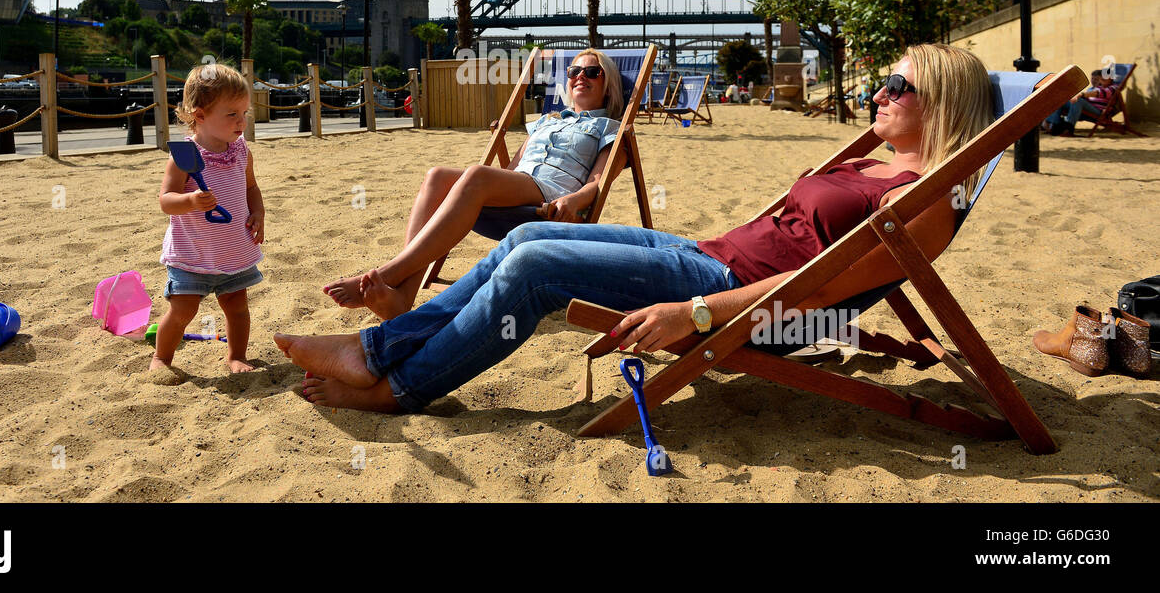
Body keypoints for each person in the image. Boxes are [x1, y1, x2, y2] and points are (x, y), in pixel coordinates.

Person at [277, 43, 991, 414]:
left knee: (533, 270)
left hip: (725, 288)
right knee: (525, 239)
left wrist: (695, 313)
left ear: (944, 101)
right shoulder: (879, 161)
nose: (878, 93)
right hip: (707, 251)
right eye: (884, 82)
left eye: (897, 86)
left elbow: (811, 293)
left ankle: (393, 382)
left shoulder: (927, 200)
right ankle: (378, 348)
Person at [323, 49, 626, 320]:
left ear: (607, 83)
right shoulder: (547, 120)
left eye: (592, 72)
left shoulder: (612, 129)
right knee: (437, 175)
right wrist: (486, 183)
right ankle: (404, 296)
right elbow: (511, 169)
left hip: (552, 197)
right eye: (575, 71)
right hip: (520, 186)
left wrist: (574, 201)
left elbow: (597, 183)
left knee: (477, 174)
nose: (581, 77)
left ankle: (388, 273)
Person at [153, 62, 266, 375]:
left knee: (237, 308)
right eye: (232, 114)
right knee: (182, 311)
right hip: (193, 254)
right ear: (199, 115)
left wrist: (258, 212)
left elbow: (251, 187)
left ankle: (236, 356)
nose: (241, 121)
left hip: (233, 252)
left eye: (244, 113)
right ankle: (162, 359)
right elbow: (166, 201)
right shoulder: (184, 157)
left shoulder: (241, 151)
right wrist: (189, 200)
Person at [1045, 69, 1118, 136]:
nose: (1102, 79)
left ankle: (1068, 129)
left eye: (1105, 77)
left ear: (1111, 78)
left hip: (1098, 111)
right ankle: (1053, 125)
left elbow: (1099, 93)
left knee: (1078, 101)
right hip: (1087, 107)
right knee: (1061, 100)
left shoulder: (1113, 88)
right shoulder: (1096, 87)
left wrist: (1081, 95)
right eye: (1102, 77)